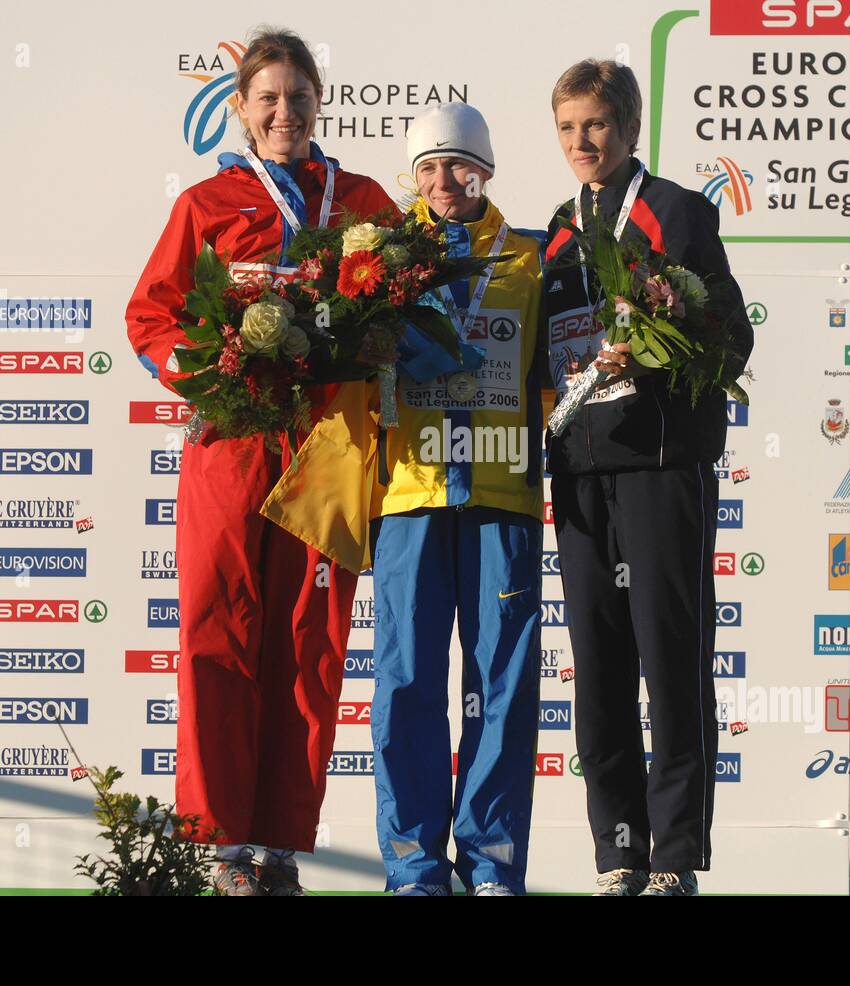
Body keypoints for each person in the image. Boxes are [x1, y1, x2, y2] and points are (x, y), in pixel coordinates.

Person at [125, 27, 397, 896]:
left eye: (300, 96)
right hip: (232, 446)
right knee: (217, 635)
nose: (286, 111)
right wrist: (206, 374)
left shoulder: (360, 202)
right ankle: (220, 843)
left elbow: (402, 301)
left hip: (327, 449)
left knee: (308, 644)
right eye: (268, 98)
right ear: (240, 109)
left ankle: (278, 845)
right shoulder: (208, 205)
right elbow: (150, 317)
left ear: (322, 103)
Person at [541, 59, 754, 895]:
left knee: (671, 659)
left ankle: (674, 855)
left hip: (663, 465)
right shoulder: (558, 227)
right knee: (596, 663)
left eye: (595, 125)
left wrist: (659, 354)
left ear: (629, 127)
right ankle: (618, 847)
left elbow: (730, 336)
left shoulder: (677, 212)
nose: (581, 142)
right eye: (566, 129)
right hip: (582, 471)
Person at [369, 102, 546, 896]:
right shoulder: (378, 258)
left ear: (487, 170)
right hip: (409, 490)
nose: (445, 180)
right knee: (406, 683)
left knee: (500, 689)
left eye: (460, 165)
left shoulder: (530, 261)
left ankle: (492, 868)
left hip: (502, 491)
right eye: (430, 167)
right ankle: (413, 873)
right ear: (414, 176)